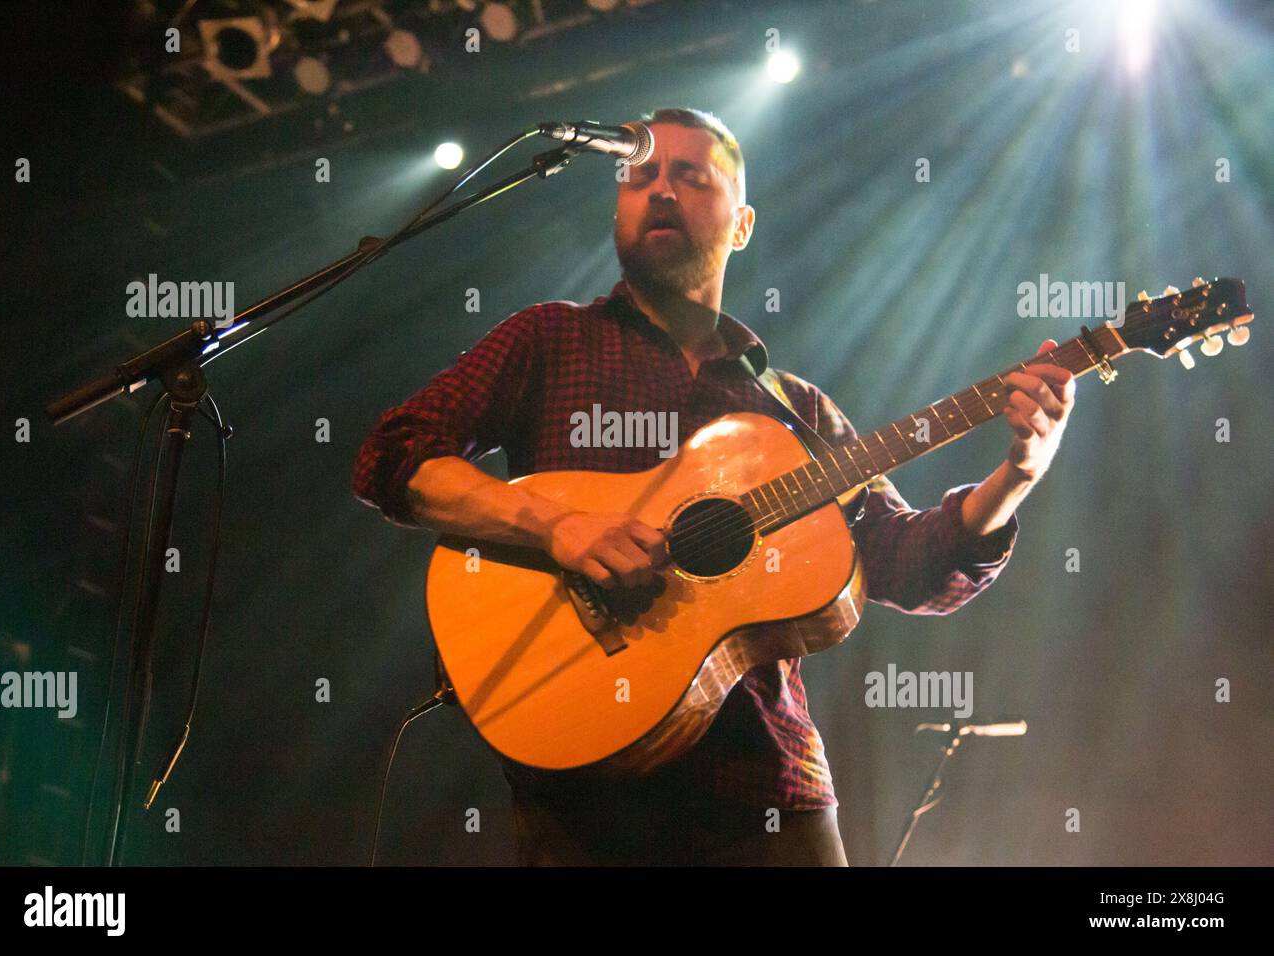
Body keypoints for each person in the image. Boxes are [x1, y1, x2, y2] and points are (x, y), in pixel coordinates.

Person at [353, 107, 1076, 865]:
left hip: (768, 788)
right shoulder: (547, 338)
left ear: (743, 224)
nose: (659, 190)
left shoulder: (794, 410)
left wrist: (1018, 474)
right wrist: (556, 526)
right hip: (584, 791)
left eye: (690, 176)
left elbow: (904, 565)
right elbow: (392, 454)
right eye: (640, 176)